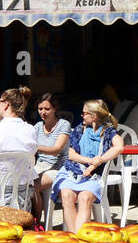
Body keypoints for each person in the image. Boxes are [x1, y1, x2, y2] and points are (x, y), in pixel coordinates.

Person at [51, 99, 124, 234]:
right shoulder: (80, 129)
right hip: (73, 172)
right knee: (66, 194)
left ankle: (80, 237)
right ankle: (74, 237)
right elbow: (71, 154)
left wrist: (100, 159)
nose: (81, 115)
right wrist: (90, 160)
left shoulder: (107, 131)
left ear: (94, 116)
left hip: (93, 177)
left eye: (84, 113)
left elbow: (119, 147)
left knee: (84, 197)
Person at [34, 91, 71, 215]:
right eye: (40, 109)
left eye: (47, 109)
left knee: (33, 187)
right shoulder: (38, 126)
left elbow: (56, 150)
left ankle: (37, 223)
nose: (43, 112)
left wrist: (34, 147)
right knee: (21, 184)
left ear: (55, 108)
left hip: (60, 168)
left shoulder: (63, 125)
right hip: (40, 165)